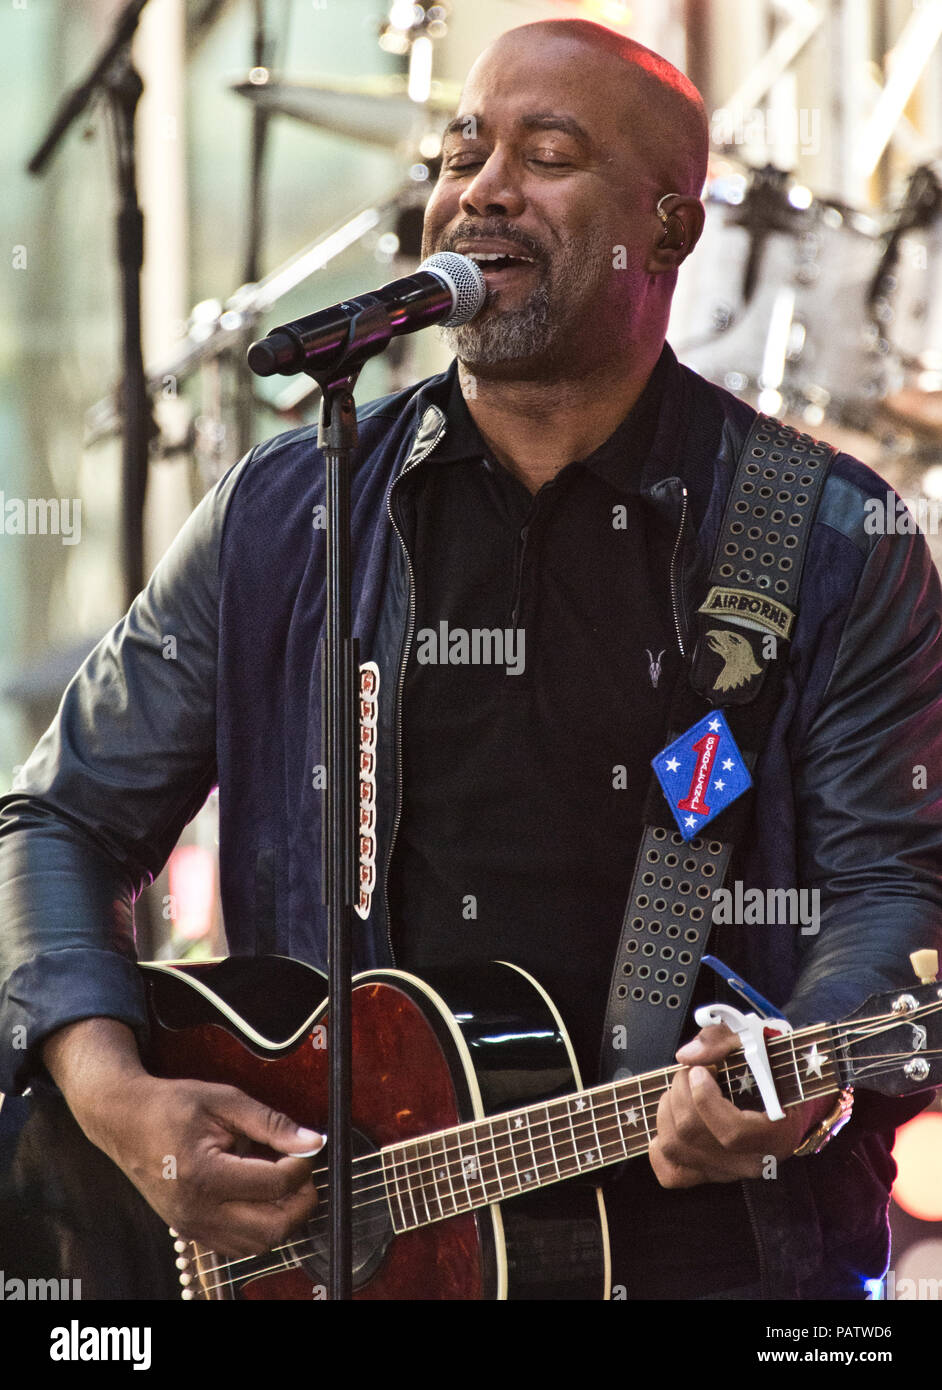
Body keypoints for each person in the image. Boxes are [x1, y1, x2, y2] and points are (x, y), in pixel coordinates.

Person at [1, 17, 941, 1300]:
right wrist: (115, 1097)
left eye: (547, 155)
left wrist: (785, 1070)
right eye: (461, 149)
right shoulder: (290, 510)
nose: (482, 187)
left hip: (715, 1262)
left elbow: (892, 884)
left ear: (667, 230)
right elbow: (58, 816)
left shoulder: (824, 534)